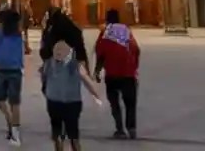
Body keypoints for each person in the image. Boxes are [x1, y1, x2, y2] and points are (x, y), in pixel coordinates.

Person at [42, 37, 103, 151]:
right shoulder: (76, 65)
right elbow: (86, 80)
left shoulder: (49, 63)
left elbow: (44, 78)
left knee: (57, 134)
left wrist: (46, 90)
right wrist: (95, 95)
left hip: (54, 101)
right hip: (72, 102)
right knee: (73, 135)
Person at [0, 5, 31, 146]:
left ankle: (10, 121)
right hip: (16, 70)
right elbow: (27, 50)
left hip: (0, 70)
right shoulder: (18, 34)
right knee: (15, 103)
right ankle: (16, 135)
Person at [94, 9, 141, 140]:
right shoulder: (126, 31)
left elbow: (100, 54)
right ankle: (131, 128)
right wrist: (134, 67)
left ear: (107, 19)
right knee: (130, 103)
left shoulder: (105, 32)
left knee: (114, 103)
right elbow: (136, 50)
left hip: (112, 74)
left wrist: (97, 71)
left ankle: (120, 129)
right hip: (128, 74)